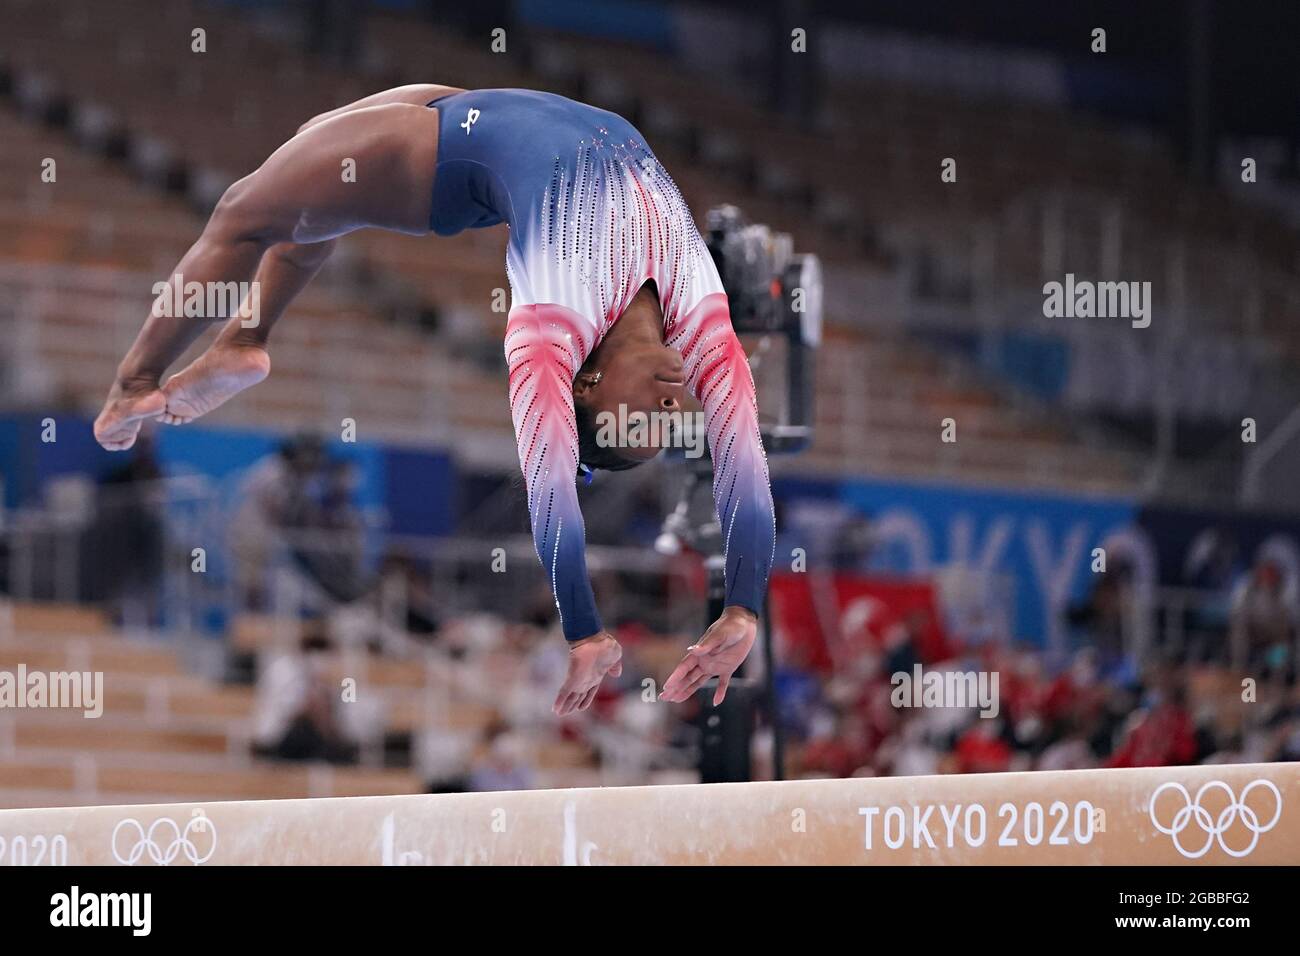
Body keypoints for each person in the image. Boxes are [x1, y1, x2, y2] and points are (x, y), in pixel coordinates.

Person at [91, 85, 775, 716]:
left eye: (640, 423)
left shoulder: (550, 329)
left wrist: (585, 628)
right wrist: (743, 610)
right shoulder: (705, 326)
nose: (671, 405)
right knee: (312, 161)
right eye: (666, 422)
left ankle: (133, 384)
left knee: (244, 210)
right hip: (483, 112)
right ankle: (244, 337)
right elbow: (745, 475)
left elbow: (552, 487)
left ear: (586, 388)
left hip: (451, 156)